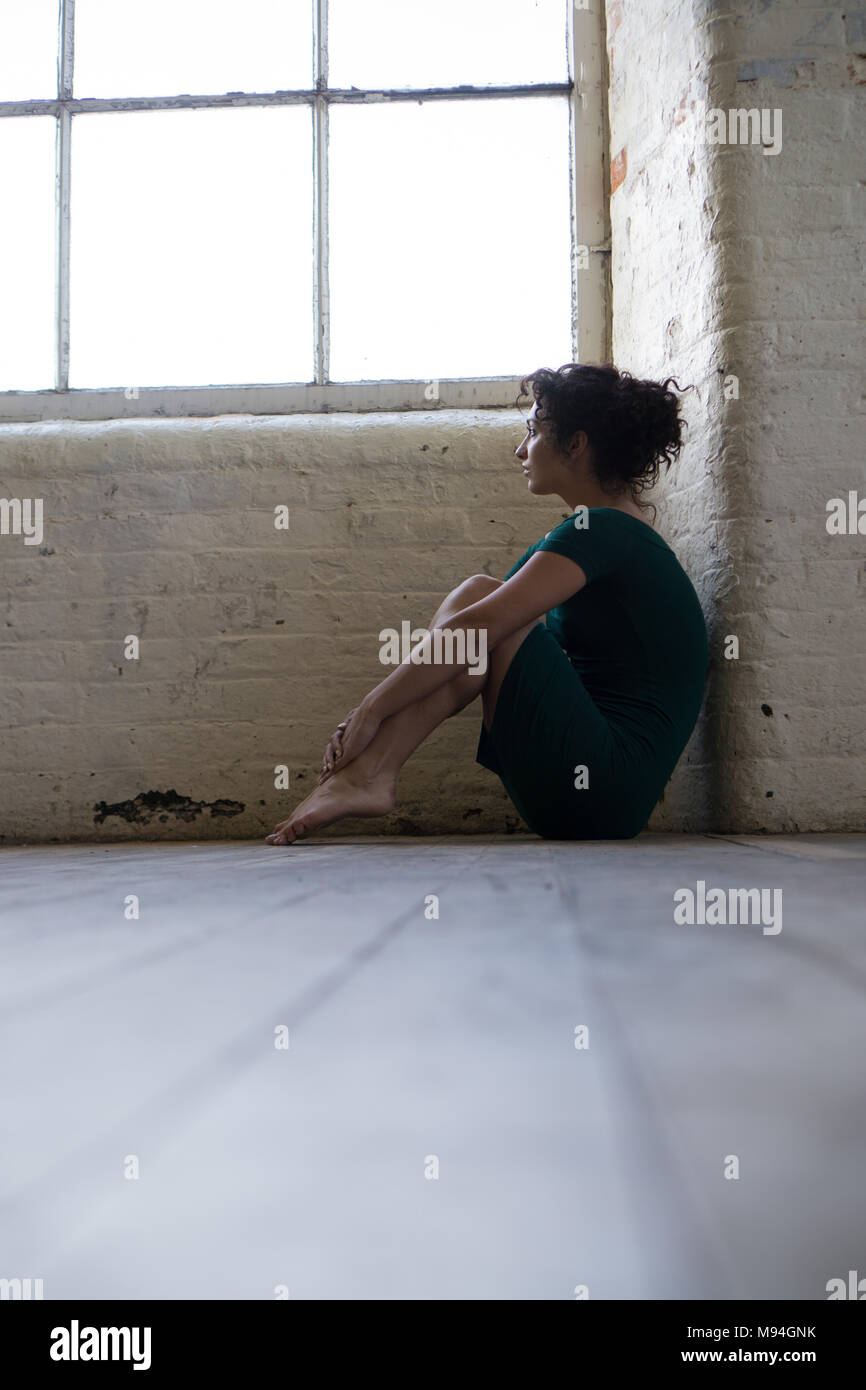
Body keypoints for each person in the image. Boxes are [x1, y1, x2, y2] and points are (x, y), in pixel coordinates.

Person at [266, 362, 708, 846]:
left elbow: (480, 624)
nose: (521, 449)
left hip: (605, 786)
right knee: (477, 606)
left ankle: (371, 773)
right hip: (594, 801)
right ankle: (370, 775)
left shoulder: (604, 529)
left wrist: (370, 710)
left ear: (576, 445)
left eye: (533, 431)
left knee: (480, 602)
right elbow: (467, 662)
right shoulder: (597, 532)